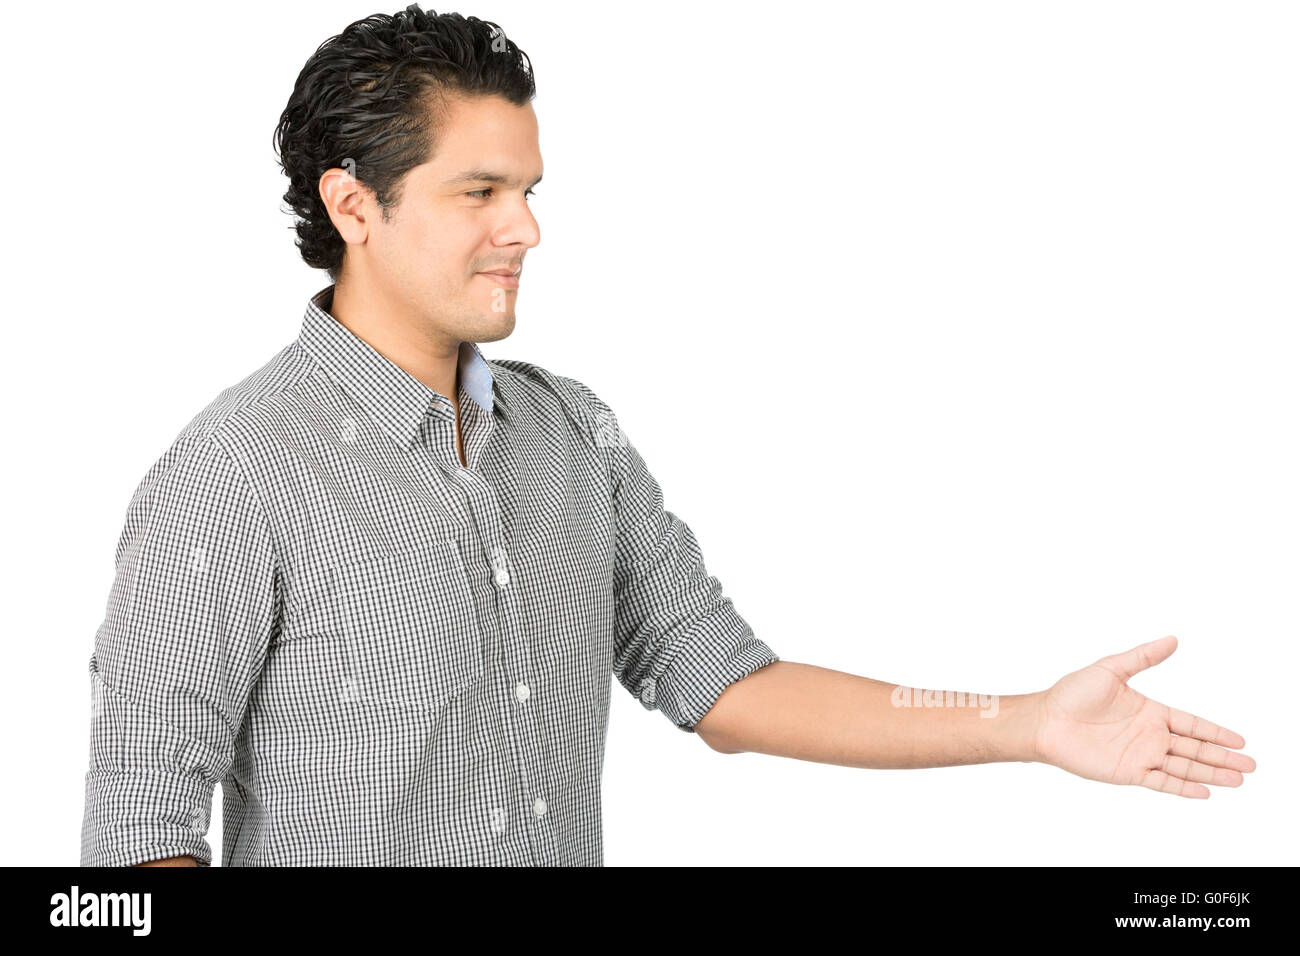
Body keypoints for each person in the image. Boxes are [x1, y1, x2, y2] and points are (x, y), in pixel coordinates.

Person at [80, 6, 1255, 868]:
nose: (527, 228)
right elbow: (139, 840)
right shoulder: (233, 474)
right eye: (479, 192)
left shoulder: (571, 432)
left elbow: (726, 683)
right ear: (353, 207)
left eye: (531, 189)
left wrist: (1021, 720)